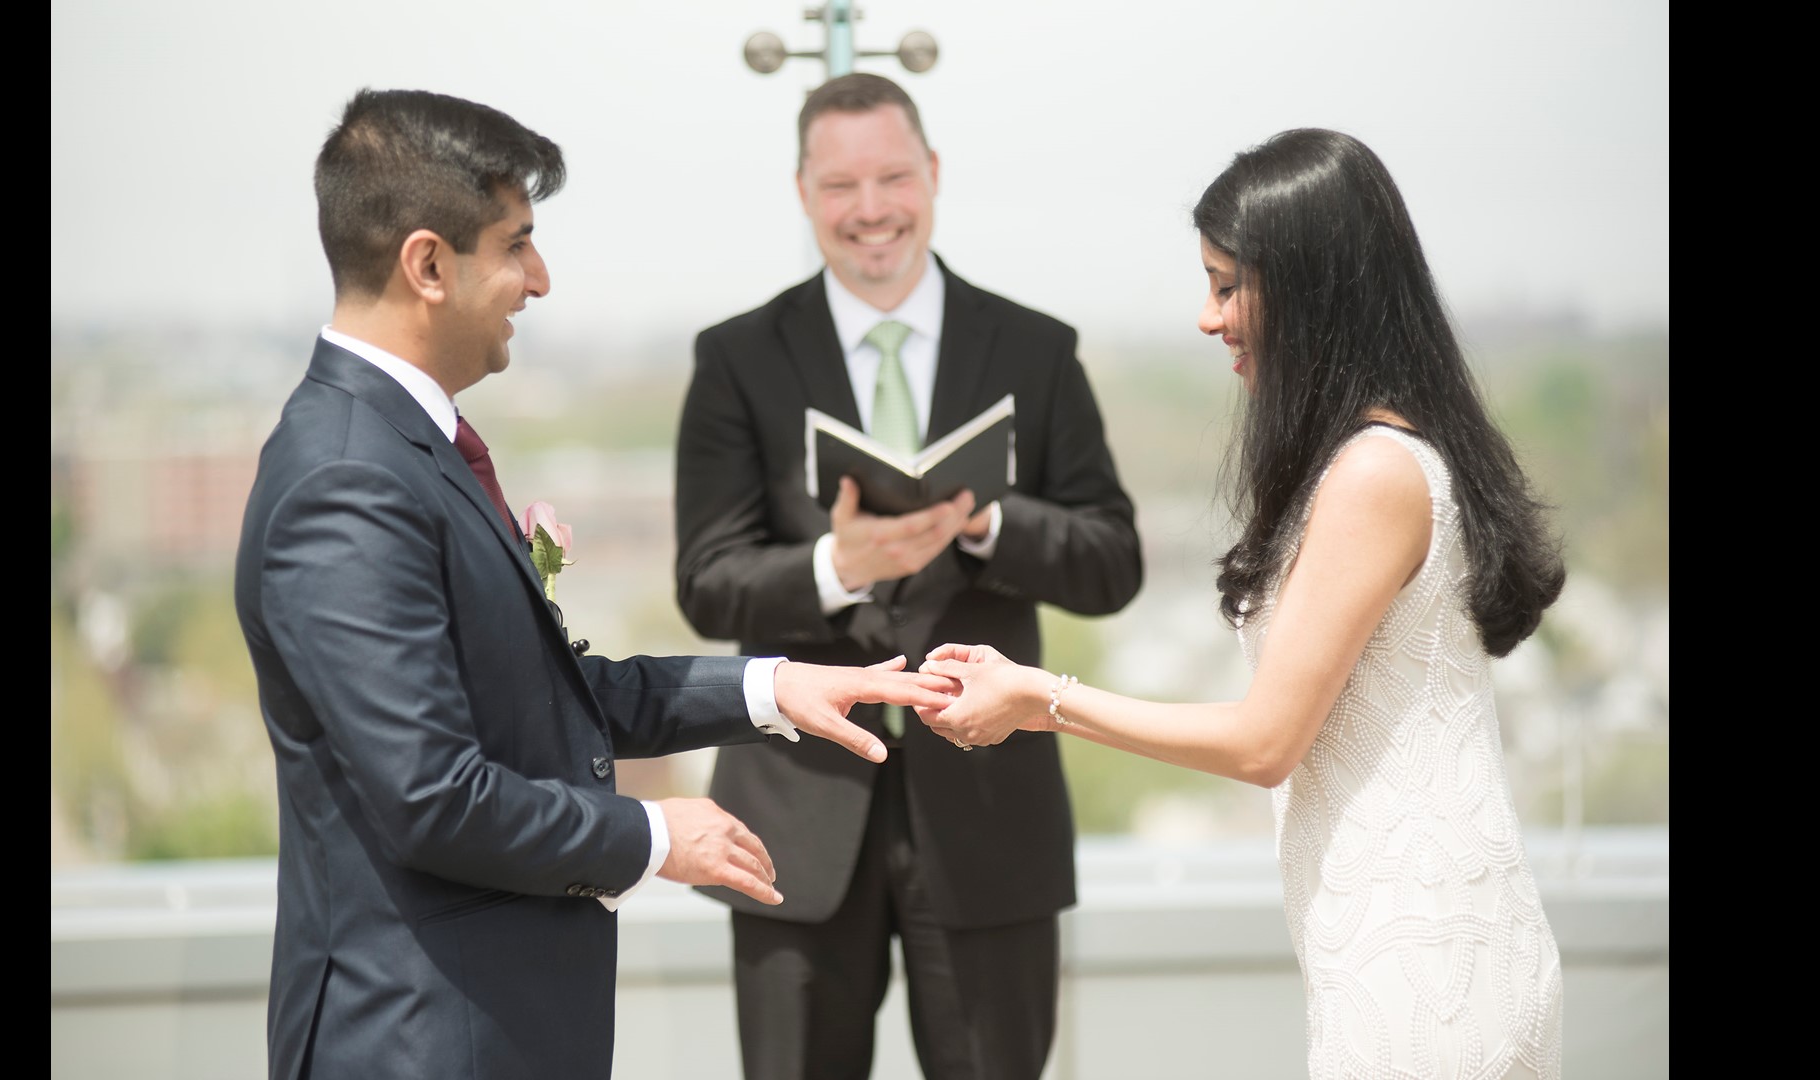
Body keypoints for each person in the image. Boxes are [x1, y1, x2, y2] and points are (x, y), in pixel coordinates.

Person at [233, 88, 956, 1080]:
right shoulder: (346, 479)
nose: (540, 278)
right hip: (418, 1039)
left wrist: (773, 688)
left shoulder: (410, 447)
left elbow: (546, 699)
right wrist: (655, 835)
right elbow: (432, 796)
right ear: (428, 265)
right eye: (517, 243)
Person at [918, 129, 1568, 1079]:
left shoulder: (1375, 474)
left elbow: (1265, 744)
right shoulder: (1385, 455)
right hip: (1397, 943)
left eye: (1227, 285)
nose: (1207, 317)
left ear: (1313, 289)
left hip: (1424, 966)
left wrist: (1036, 698)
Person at [673, 73, 1142, 1079]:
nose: (872, 209)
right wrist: (836, 566)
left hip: (990, 816)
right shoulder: (737, 359)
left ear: (933, 174)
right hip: (793, 818)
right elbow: (707, 583)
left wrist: (986, 525)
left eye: (893, 176)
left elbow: (1113, 562)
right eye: (841, 185)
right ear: (803, 191)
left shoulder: (1035, 348)